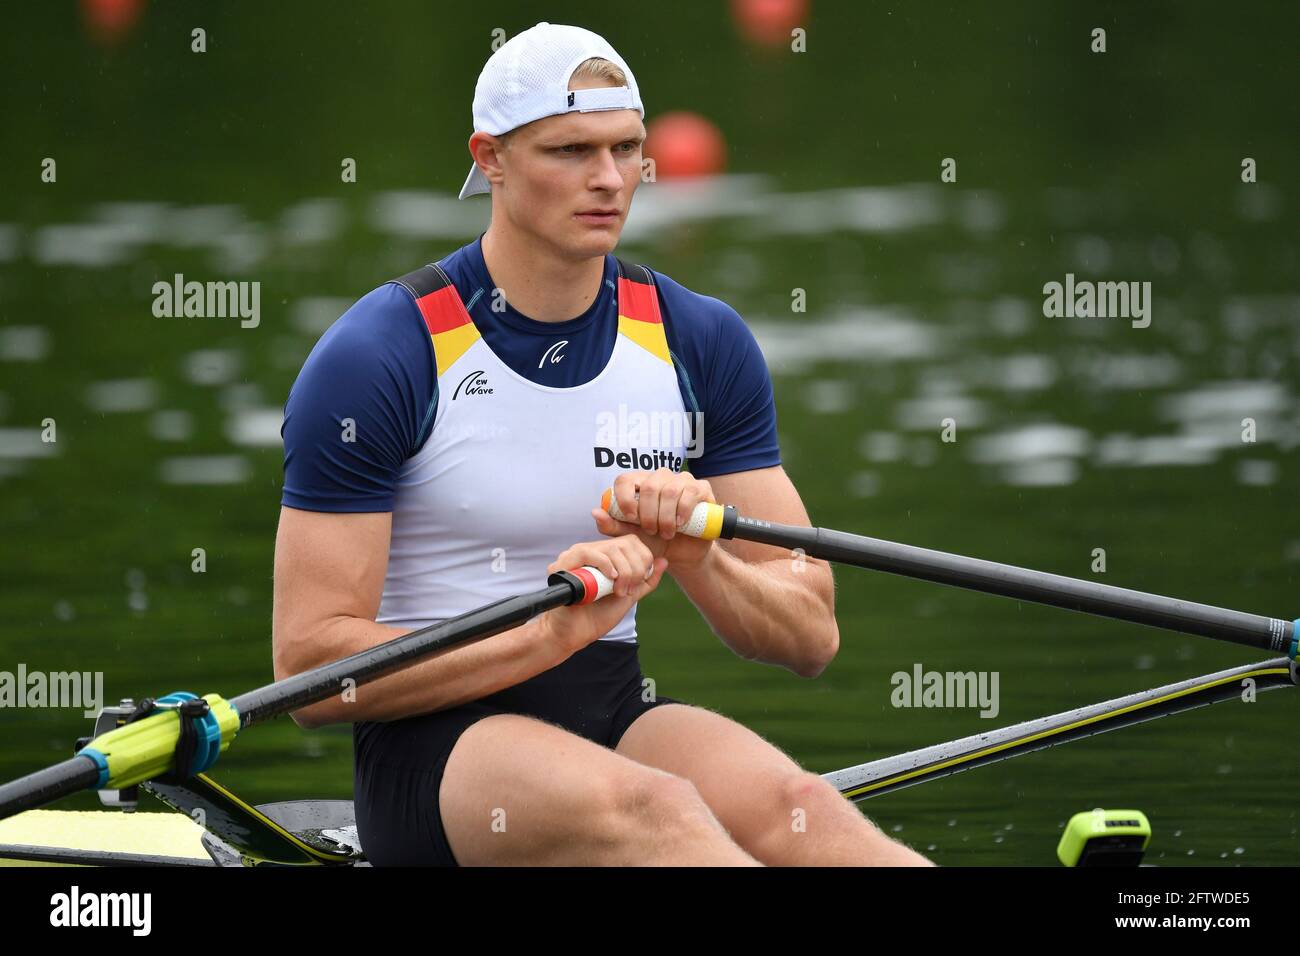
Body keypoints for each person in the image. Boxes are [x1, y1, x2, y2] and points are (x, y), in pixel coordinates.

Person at [275, 21, 929, 866]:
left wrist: (696, 554)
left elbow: (810, 635)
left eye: (627, 148)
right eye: (571, 150)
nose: (610, 179)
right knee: (660, 814)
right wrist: (552, 630)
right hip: (435, 756)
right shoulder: (382, 356)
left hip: (618, 716)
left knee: (803, 804)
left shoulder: (698, 340)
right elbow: (311, 672)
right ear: (492, 157)